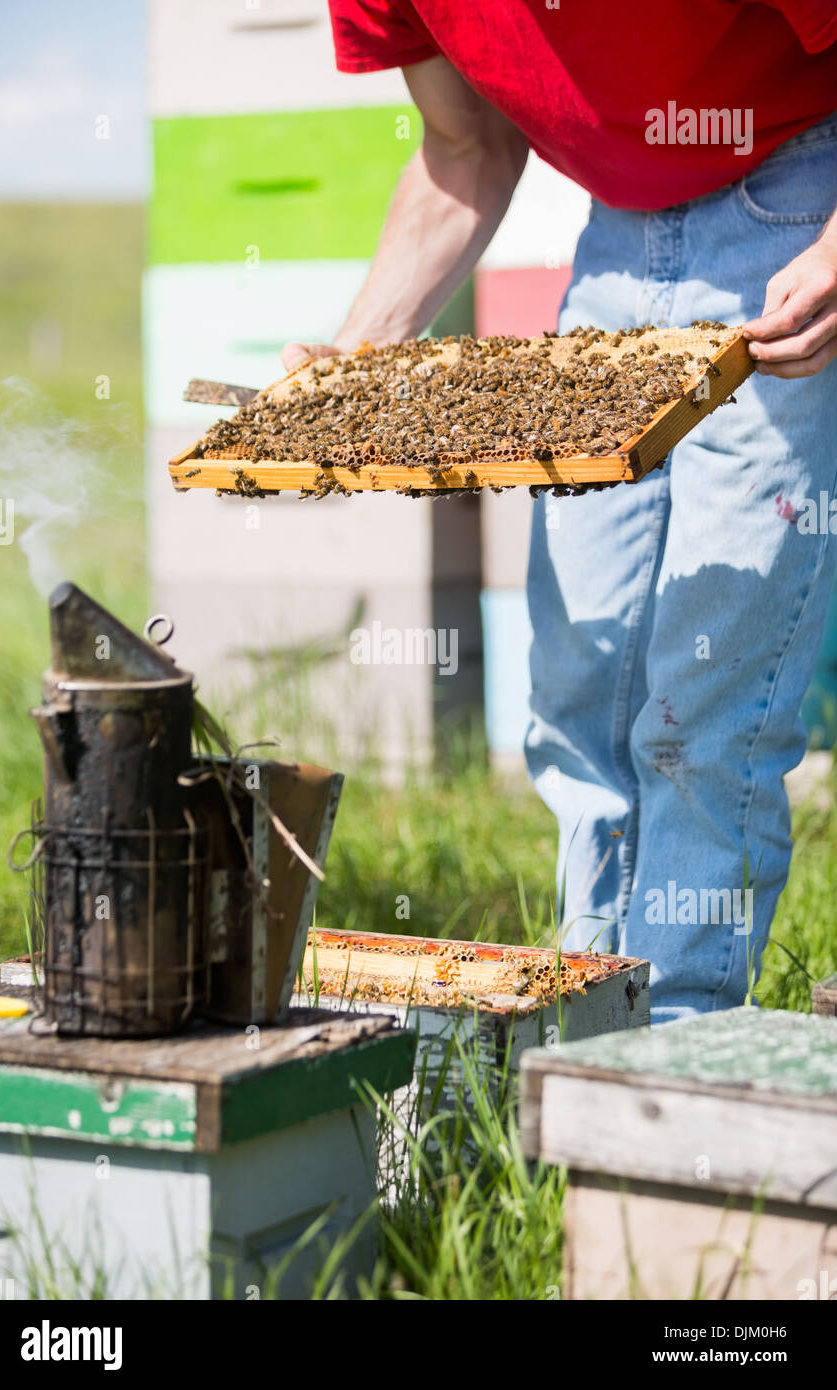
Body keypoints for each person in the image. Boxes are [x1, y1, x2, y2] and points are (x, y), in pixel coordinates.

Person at [283, 2, 837, 1022]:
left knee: (703, 697)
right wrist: (365, 342)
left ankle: (672, 1056)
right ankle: (588, 1021)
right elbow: (465, 143)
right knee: (582, 690)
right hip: (613, 246)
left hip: (795, 197)